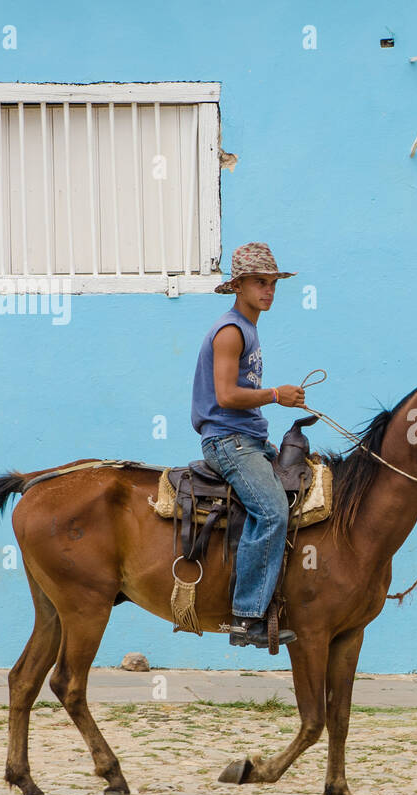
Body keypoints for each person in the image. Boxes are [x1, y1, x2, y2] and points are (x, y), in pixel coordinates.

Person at [191, 242, 306, 648]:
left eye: (273, 282)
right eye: (261, 282)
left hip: (250, 438)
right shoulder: (231, 331)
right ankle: (246, 617)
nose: (269, 289)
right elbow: (225, 395)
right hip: (228, 440)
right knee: (273, 511)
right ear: (239, 285)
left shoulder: (250, 328)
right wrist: (277, 395)